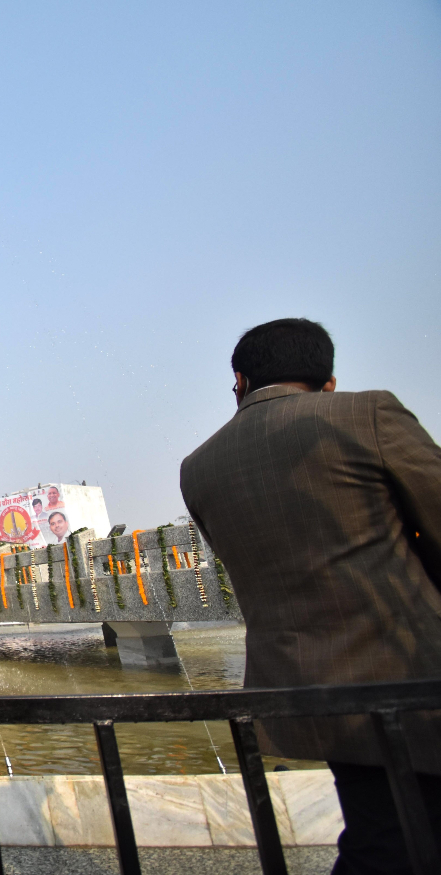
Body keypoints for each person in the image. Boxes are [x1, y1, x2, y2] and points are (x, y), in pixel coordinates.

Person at [179, 318, 441, 873]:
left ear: (240, 381)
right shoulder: (365, 414)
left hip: (309, 685)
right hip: (417, 666)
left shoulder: (199, 466)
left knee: (384, 831)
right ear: (329, 381)